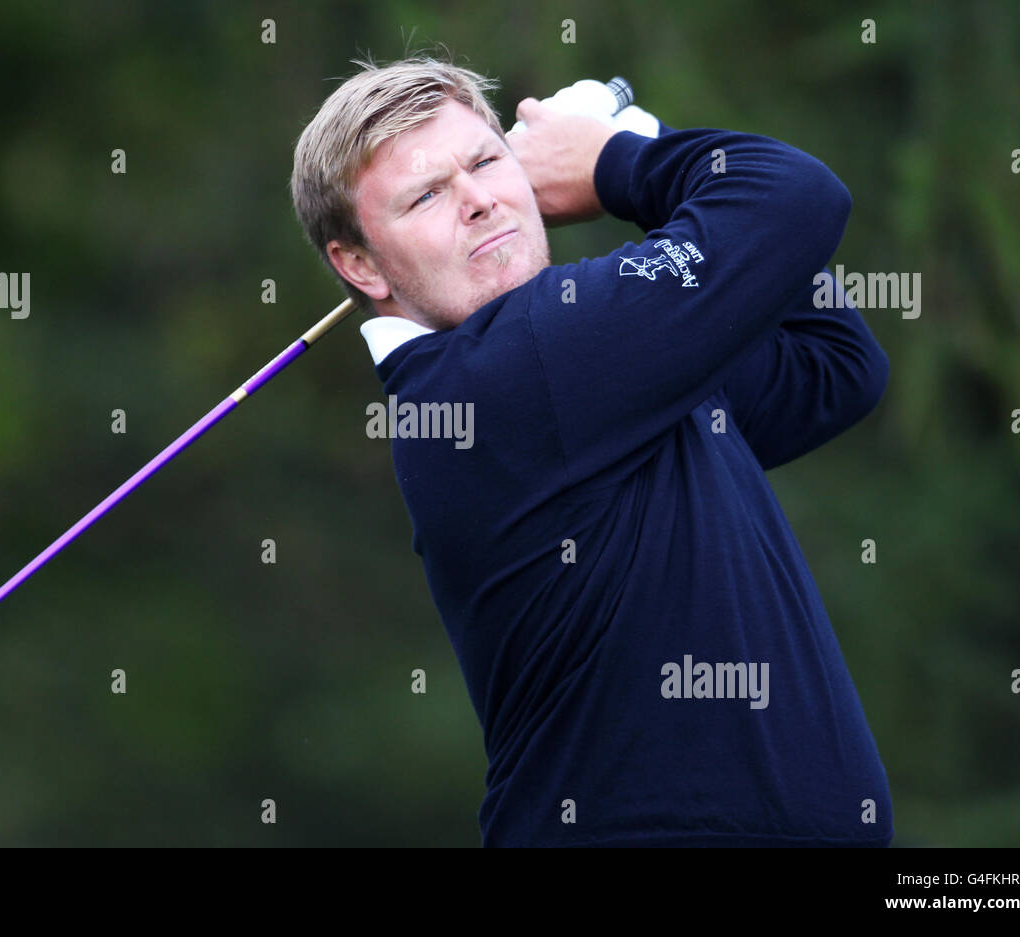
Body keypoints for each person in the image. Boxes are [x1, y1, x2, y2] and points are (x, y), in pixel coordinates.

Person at [291, 54, 893, 847]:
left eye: (485, 161)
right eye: (426, 195)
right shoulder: (509, 371)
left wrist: (639, 145)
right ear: (361, 264)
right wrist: (621, 159)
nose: (477, 201)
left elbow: (834, 366)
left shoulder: (590, 364)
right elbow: (797, 195)